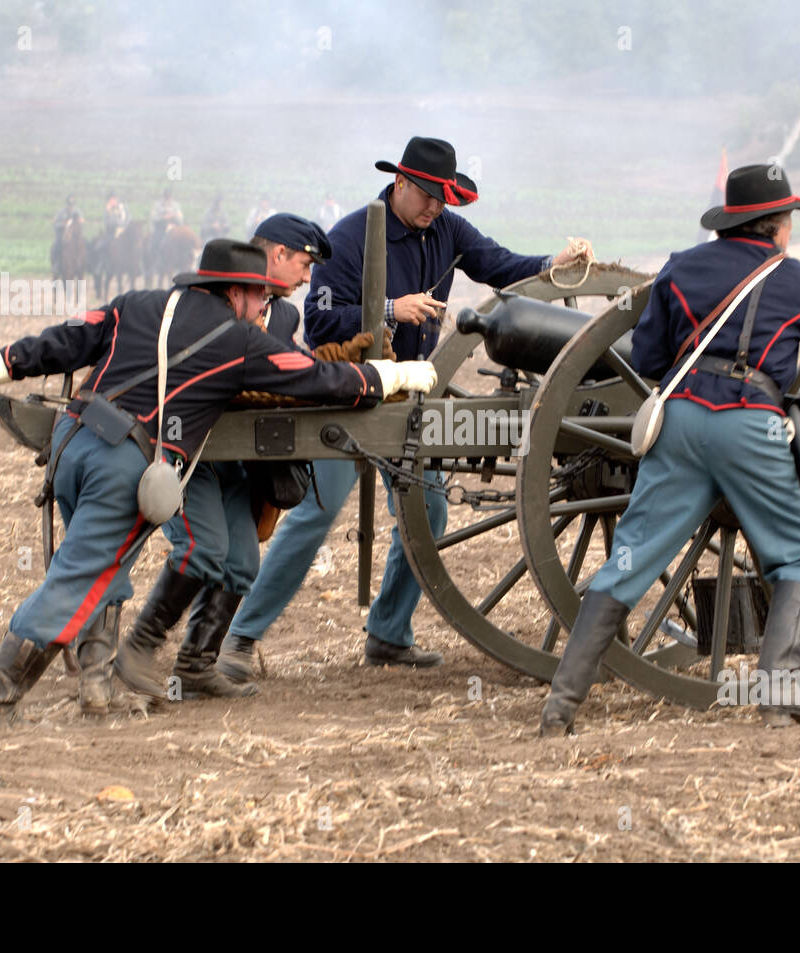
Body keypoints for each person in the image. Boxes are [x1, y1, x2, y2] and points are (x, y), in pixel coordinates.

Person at [0, 239, 436, 734]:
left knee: (104, 569)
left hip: (70, 444)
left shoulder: (134, 304)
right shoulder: (239, 340)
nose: (264, 309)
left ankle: (97, 691)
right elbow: (314, 378)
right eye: (261, 299)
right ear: (238, 293)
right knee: (76, 580)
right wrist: (391, 375)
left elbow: (66, 340)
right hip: (123, 461)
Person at [537, 164, 800, 736]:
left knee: (629, 559)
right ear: (777, 224)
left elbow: (650, 356)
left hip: (678, 422)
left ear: (732, 222)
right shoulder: (798, 280)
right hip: (750, 425)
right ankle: (778, 697)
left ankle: (559, 709)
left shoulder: (682, 267)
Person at [218, 136, 592, 675]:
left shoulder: (448, 230)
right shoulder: (349, 238)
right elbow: (323, 324)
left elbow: (499, 265)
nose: (437, 207)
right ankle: (238, 638)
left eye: (445, 199)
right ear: (400, 183)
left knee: (430, 512)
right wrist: (391, 310)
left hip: (412, 394)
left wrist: (552, 264)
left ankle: (389, 634)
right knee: (315, 514)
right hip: (347, 391)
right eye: (429, 196)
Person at [115, 215, 333, 701]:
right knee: (203, 550)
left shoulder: (285, 319)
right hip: (185, 451)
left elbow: (288, 374)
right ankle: (136, 649)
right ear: (276, 255)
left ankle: (195, 665)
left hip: (234, 459)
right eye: (302, 264)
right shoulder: (203, 306)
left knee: (240, 563)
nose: (306, 279)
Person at [50, 195, 84, 272]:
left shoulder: (77, 212)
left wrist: (77, 222)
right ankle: (57, 263)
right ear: (67, 204)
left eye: (72, 205)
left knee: (85, 244)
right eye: (69, 205)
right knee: (56, 246)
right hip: (63, 234)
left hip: (75, 235)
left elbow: (82, 221)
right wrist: (64, 224)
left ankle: (86, 263)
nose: (71, 207)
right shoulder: (61, 213)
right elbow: (55, 222)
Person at [150, 187, 185, 259]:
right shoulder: (158, 204)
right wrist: (163, 217)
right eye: (166, 196)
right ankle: (156, 258)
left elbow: (180, 217)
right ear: (164, 196)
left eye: (169, 196)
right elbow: (153, 216)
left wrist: (173, 216)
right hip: (161, 226)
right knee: (156, 242)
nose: (168, 198)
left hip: (173, 226)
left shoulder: (175, 205)